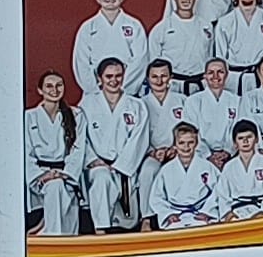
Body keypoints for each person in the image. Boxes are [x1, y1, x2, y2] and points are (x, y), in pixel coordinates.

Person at [78, 59, 147, 233]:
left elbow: (139, 139)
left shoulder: (136, 105)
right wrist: (93, 160)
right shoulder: (87, 105)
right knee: (101, 178)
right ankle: (101, 229)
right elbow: (80, 138)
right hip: (98, 165)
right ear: (99, 78)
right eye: (108, 76)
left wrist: (120, 165)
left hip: (125, 166)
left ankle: (118, 228)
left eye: (118, 76)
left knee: (128, 221)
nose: (114, 80)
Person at [24, 72, 82, 235]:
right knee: (54, 187)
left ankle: (46, 229)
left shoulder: (76, 115)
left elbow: (78, 150)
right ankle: (51, 234)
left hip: (65, 173)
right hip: (40, 174)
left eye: (59, 85)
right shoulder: (28, 117)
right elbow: (25, 152)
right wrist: (40, 175)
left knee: (58, 187)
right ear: (40, 90)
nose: (54, 90)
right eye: (49, 86)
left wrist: (64, 174)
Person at [71, 0, 147, 102]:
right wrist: (94, 90)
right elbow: (81, 62)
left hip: (127, 90)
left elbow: (140, 60)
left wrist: (125, 88)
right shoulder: (88, 27)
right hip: (96, 91)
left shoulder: (134, 25)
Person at [135, 58, 185, 218]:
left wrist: (176, 149)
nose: (159, 80)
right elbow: (137, 134)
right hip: (152, 152)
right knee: (148, 172)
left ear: (171, 77)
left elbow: (188, 129)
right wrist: (152, 151)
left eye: (163, 76)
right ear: (147, 79)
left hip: (179, 151)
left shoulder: (183, 100)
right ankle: (147, 218)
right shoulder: (140, 104)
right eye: (154, 76)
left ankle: (180, 215)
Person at [149, 123, 223, 231]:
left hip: (201, 215)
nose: (186, 147)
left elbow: (220, 190)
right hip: (175, 217)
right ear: (174, 145)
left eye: (190, 143)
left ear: (196, 143)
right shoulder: (166, 170)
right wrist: (168, 214)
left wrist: (207, 212)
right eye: (181, 143)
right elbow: (156, 198)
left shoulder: (207, 167)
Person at [216, 120, 263, 221]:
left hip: (260, 210)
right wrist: (228, 213)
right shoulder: (229, 166)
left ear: (256, 139)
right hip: (236, 211)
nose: (245, 141)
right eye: (241, 138)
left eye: (249, 137)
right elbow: (223, 194)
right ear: (235, 143)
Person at [186, 58, 241, 163]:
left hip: (231, 156)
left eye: (220, 72)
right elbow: (190, 132)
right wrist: (208, 155)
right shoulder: (193, 101)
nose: (215, 76)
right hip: (200, 156)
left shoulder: (237, 101)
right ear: (205, 76)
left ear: (227, 75)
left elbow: (238, 130)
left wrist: (228, 151)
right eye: (211, 72)